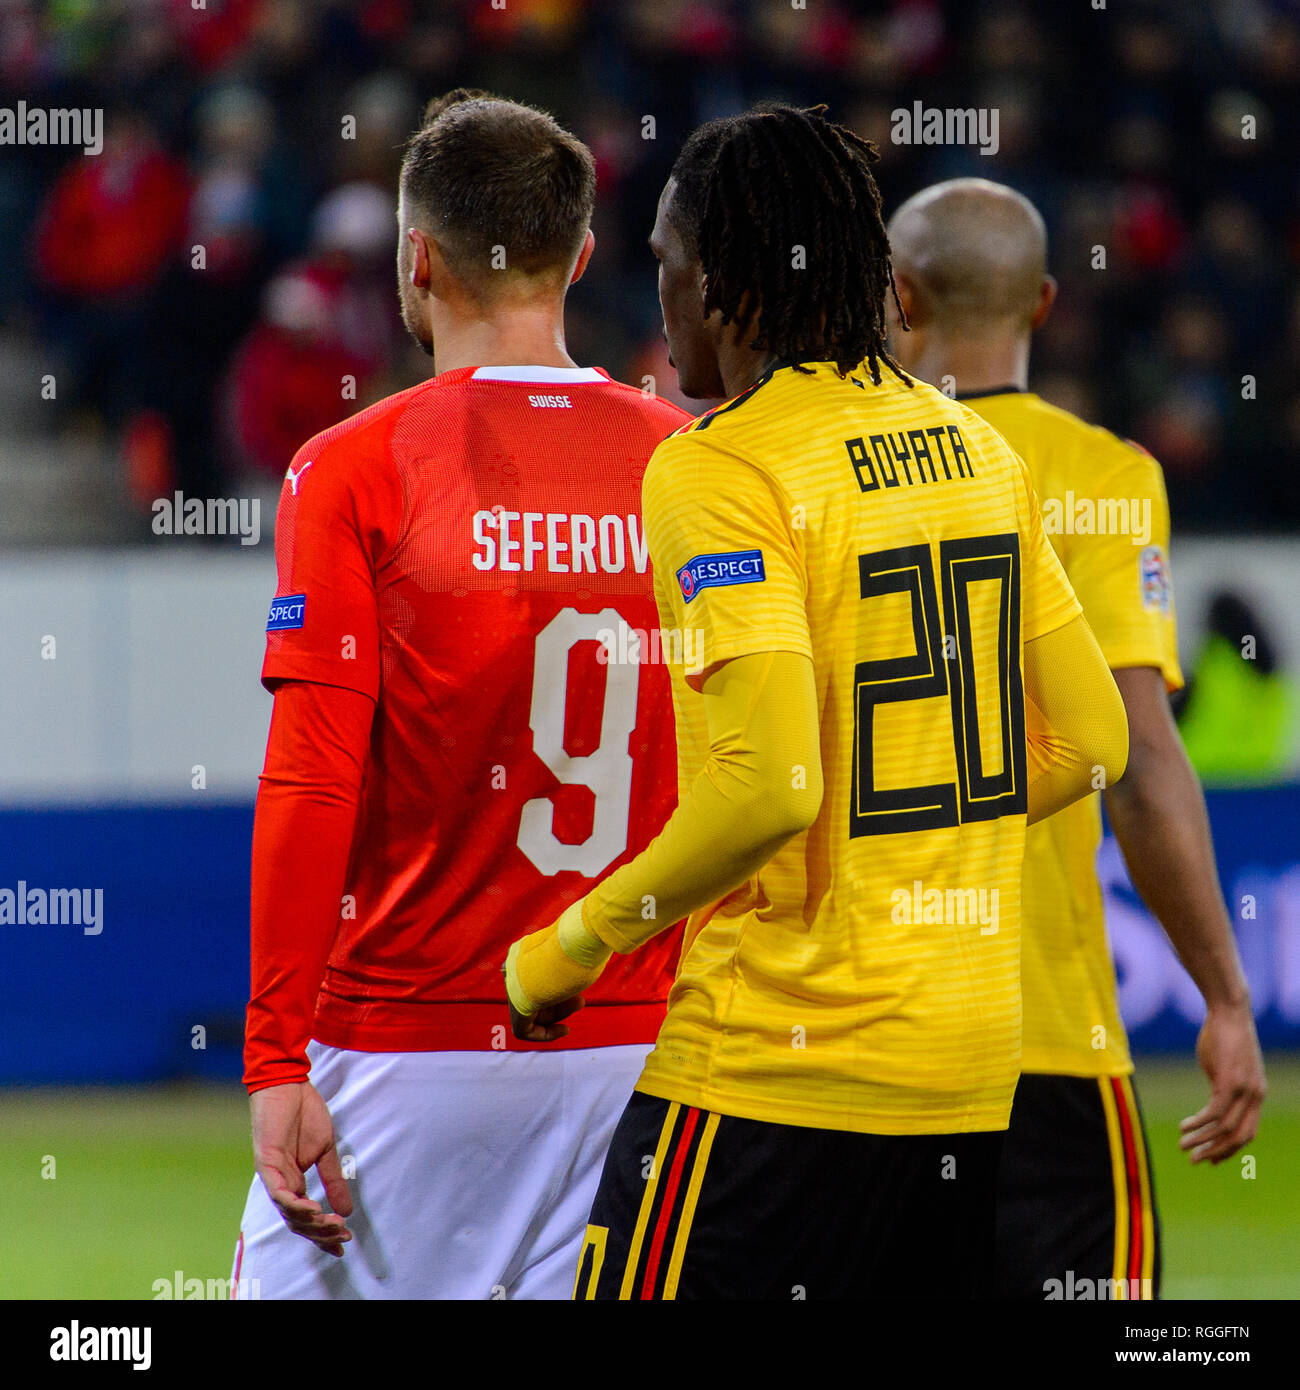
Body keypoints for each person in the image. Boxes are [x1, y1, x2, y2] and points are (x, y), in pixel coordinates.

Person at [503, 106, 1129, 1300]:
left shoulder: (718, 463)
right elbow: (1093, 739)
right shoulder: (972, 449)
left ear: (724, 284)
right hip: (961, 1076)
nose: (661, 297)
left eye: (666, 264)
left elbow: (770, 785)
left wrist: (569, 948)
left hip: (773, 1071)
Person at [233, 90, 689, 1300]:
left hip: (407, 1047)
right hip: (642, 1046)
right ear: (583, 255)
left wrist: (276, 1054)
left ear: (415, 258)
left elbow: (311, 772)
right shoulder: (689, 466)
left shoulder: (352, 468)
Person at [886, 177, 1267, 1300]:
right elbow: (1141, 765)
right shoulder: (1104, 478)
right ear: (1045, 303)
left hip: (842, 1041)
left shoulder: (807, 473)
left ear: (893, 295)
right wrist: (1224, 997)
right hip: (1039, 1032)